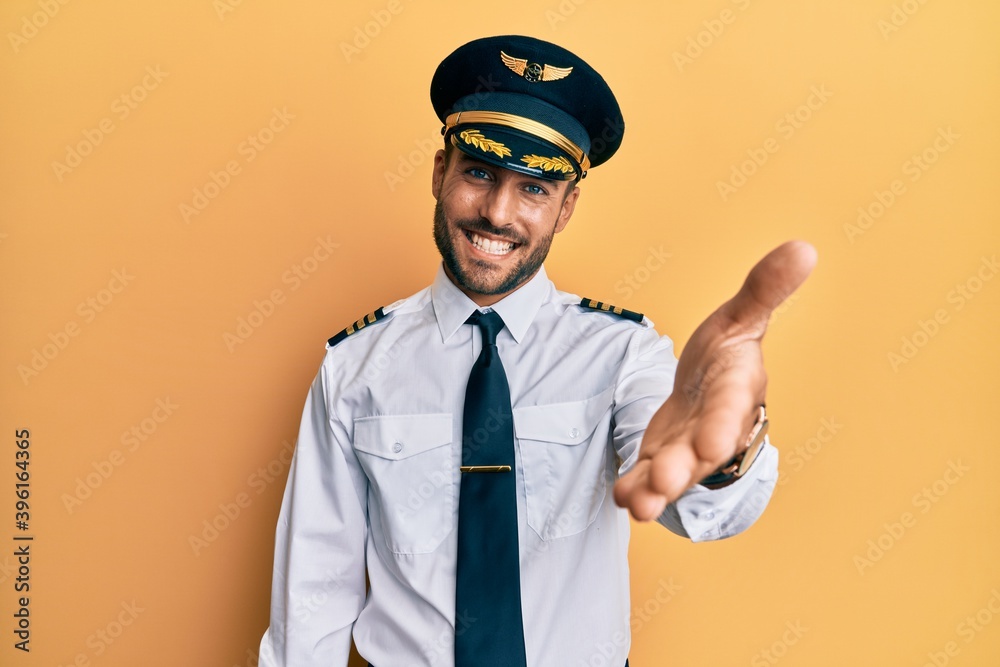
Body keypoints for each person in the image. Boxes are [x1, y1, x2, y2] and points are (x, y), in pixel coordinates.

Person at [258, 35, 816, 667]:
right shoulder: (354, 365)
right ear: (440, 171)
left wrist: (724, 447)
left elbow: (699, 508)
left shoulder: (623, 356)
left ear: (567, 206)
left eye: (535, 189)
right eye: (479, 173)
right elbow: (314, 590)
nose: (498, 213)